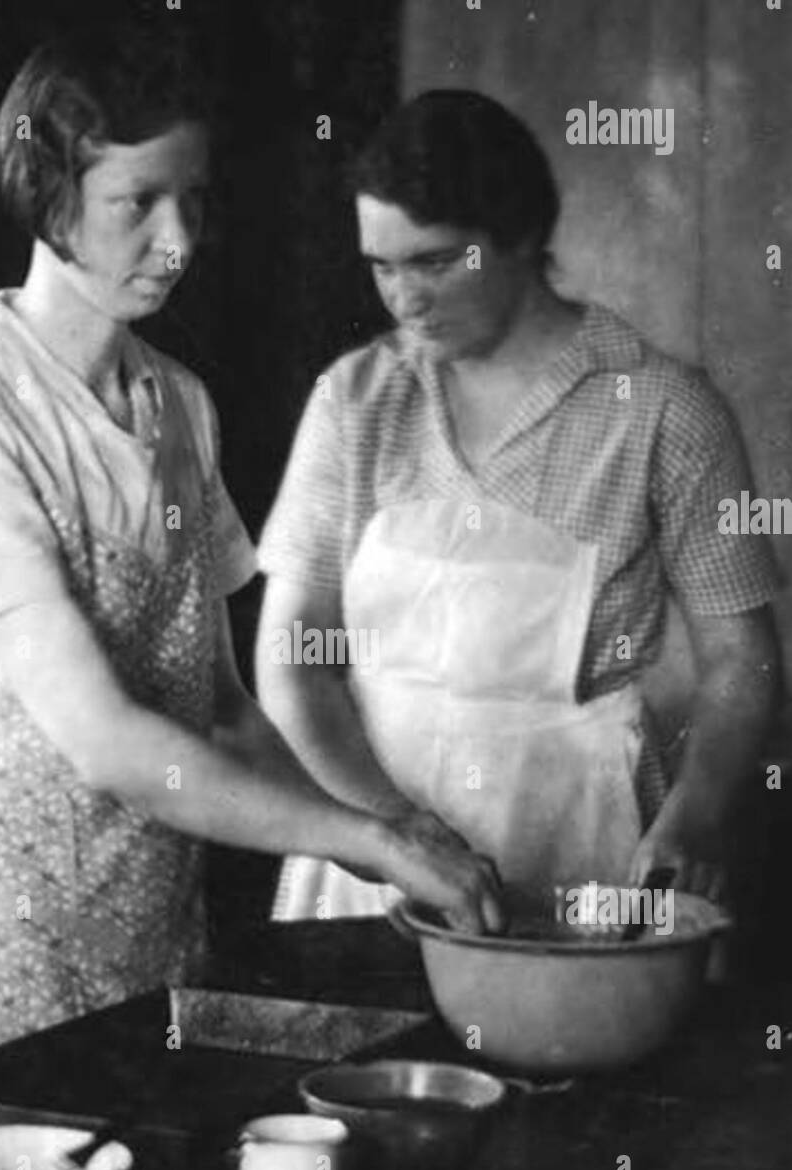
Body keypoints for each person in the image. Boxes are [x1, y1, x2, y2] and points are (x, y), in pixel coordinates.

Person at [0, 39, 498, 1170]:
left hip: (148, 940)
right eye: (135, 203)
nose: (179, 240)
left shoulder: (177, 407)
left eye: (192, 198)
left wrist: (386, 822)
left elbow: (217, 708)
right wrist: (366, 844)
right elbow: (110, 740)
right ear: (48, 199)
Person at [256, 89, 782, 924]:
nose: (404, 299)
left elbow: (741, 662)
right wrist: (398, 834)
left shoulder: (662, 408)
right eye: (381, 267)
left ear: (525, 237)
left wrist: (695, 816)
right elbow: (290, 661)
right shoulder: (355, 401)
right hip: (371, 845)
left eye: (433, 262)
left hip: (578, 837)